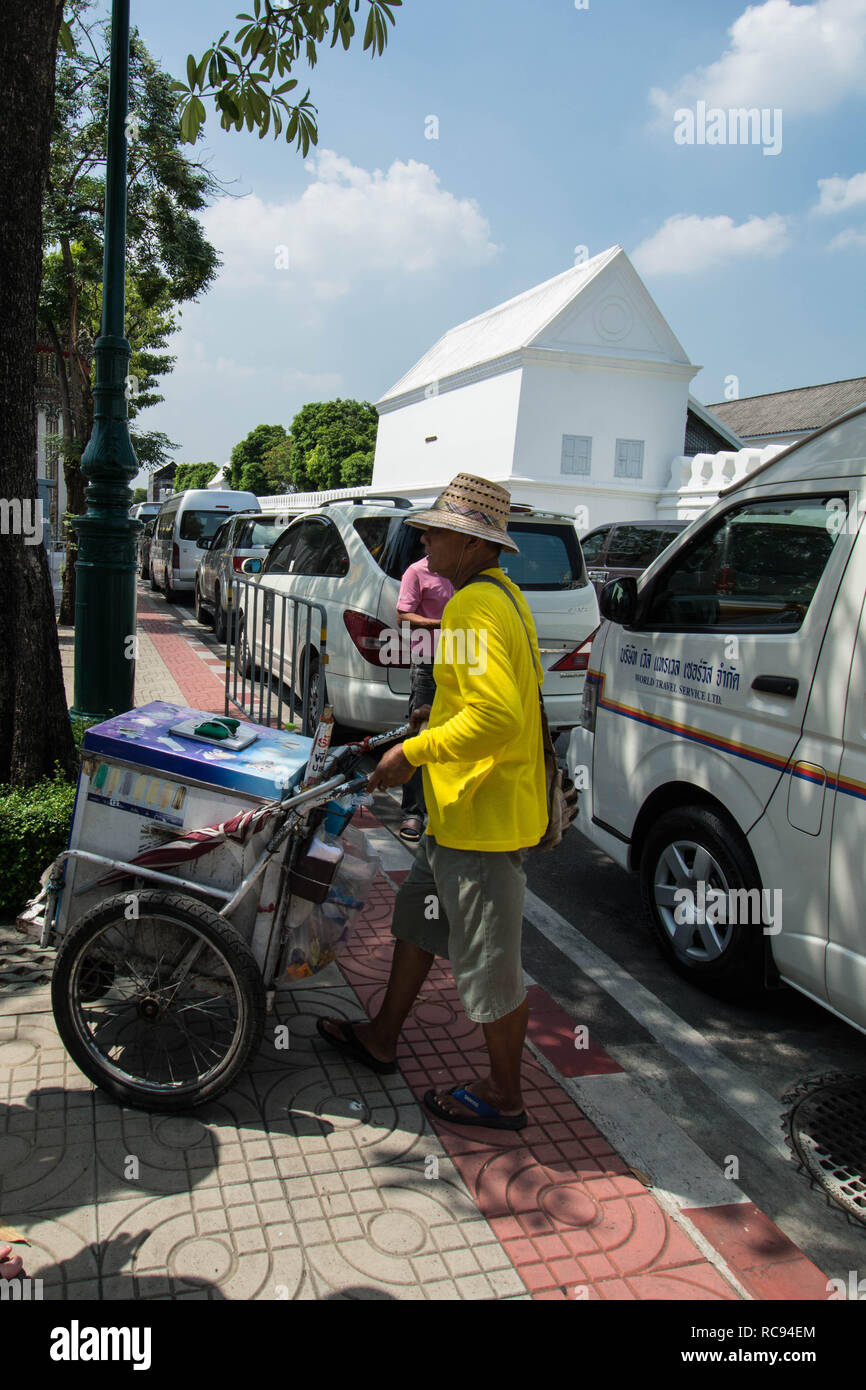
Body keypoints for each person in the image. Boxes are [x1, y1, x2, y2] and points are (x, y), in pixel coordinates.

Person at [317, 474, 547, 1130]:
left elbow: (498, 718)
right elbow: (482, 701)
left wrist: (412, 755)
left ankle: (506, 1097)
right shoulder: (500, 597)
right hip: (456, 815)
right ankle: (383, 1035)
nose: (424, 538)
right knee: (419, 923)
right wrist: (431, 717)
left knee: (490, 966)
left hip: (483, 821)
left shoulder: (476, 606)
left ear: (472, 543)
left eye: (435, 530)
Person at [395, 548, 453, 842]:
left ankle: (449, 808)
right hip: (429, 663)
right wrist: (442, 624)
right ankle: (414, 812)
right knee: (422, 734)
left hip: (465, 663)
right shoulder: (416, 571)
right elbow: (402, 617)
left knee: (457, 734)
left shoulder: (470, 576)